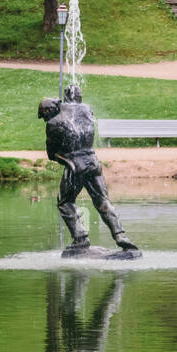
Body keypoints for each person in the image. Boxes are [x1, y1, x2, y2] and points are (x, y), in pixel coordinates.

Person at [37, 85, 139, 256]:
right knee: (103, 201)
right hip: (93, 162)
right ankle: (121, 235)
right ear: (79, 97)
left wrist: (66, 160)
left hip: (75, 164)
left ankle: (80, 238)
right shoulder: (87, 109)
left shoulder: (54, 122)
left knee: (65, 202)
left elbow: (51, 154)